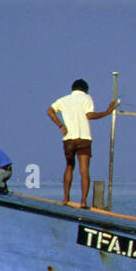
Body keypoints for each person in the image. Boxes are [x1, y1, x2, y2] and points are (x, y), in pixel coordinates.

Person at [46, 79, 117, 208]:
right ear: (85, 90)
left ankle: (66, 199)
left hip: (69, 138)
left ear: (73, 89)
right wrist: (107, 112)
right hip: (84, 138)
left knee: (69, 166)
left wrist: (61, 125)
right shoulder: (87, 98)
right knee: (84, 170)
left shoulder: (63, 100)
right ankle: (83, 202)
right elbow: (89, 115)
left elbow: (50, 111)